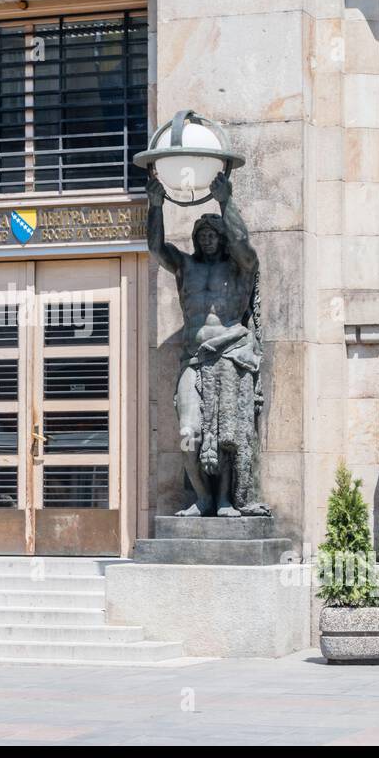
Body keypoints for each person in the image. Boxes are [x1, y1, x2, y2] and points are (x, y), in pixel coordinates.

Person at [147, 172, 267, 517]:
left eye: (215, 233)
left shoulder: (240, 267)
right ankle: (202, 497)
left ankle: (226, 500)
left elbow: (244, 243)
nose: (209, 239)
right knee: (188, 432)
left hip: (231, 355)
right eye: (203, 234)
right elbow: (156, 248)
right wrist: (156, 206)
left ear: (223, 237)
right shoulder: (186, 267)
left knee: (227, 433)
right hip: (194, 360)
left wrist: (225, 200)